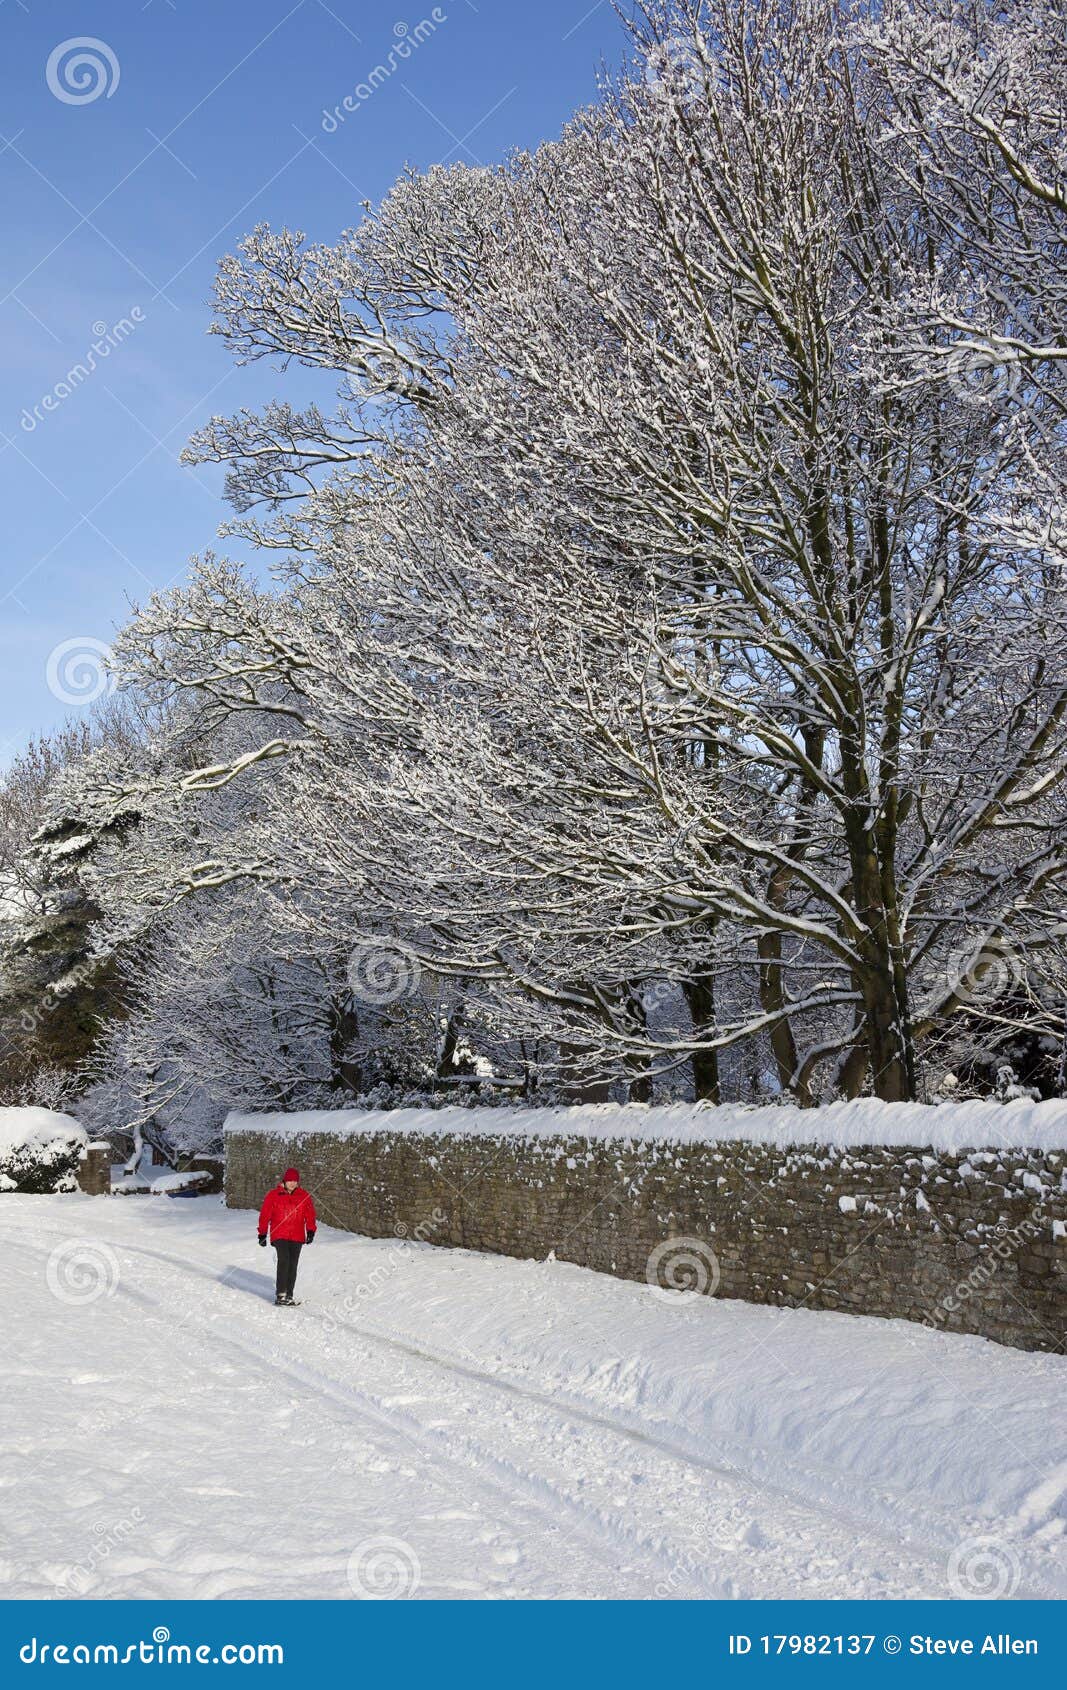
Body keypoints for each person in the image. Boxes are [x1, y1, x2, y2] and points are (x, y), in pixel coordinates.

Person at [258, 1167, 317, 1305]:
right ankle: (281, 1294)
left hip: (297, 1235)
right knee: (284, 1260)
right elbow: (265, 1215)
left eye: (295, 1181)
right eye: (290, 1180)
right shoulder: (274, 1195)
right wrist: (262, 1233)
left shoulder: (304, 1196)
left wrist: (310, 1231)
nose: (292, 1183)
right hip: (279, 1233)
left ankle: (289, 1295)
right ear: (284, 1180)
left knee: (293, 1264)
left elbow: (310, 1214)